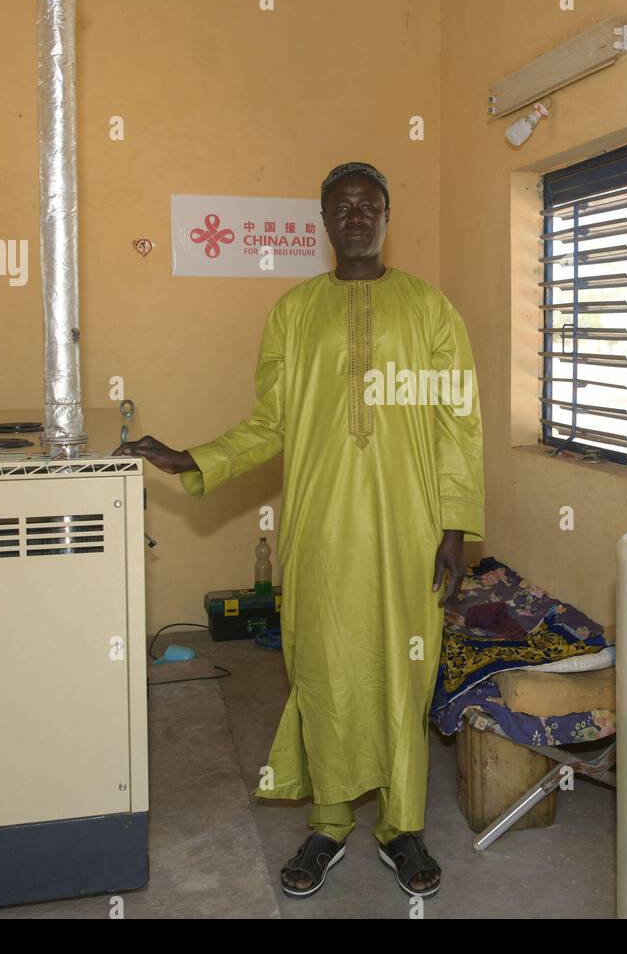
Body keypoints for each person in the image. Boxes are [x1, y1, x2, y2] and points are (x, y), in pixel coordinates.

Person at [117, 162, 485, 899]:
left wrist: (454, 525)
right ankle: (327, 822)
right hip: (320, 525)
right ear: (323, 220)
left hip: (409, 525)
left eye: (368, 203)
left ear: (386, 215)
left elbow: (458, 422)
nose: (355, 214)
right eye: (341, 204)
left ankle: (402, 826)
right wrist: (196, 457)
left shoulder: (431, 308)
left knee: (404, 671)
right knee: (321, 666)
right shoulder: (292, 311)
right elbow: (270, 423)